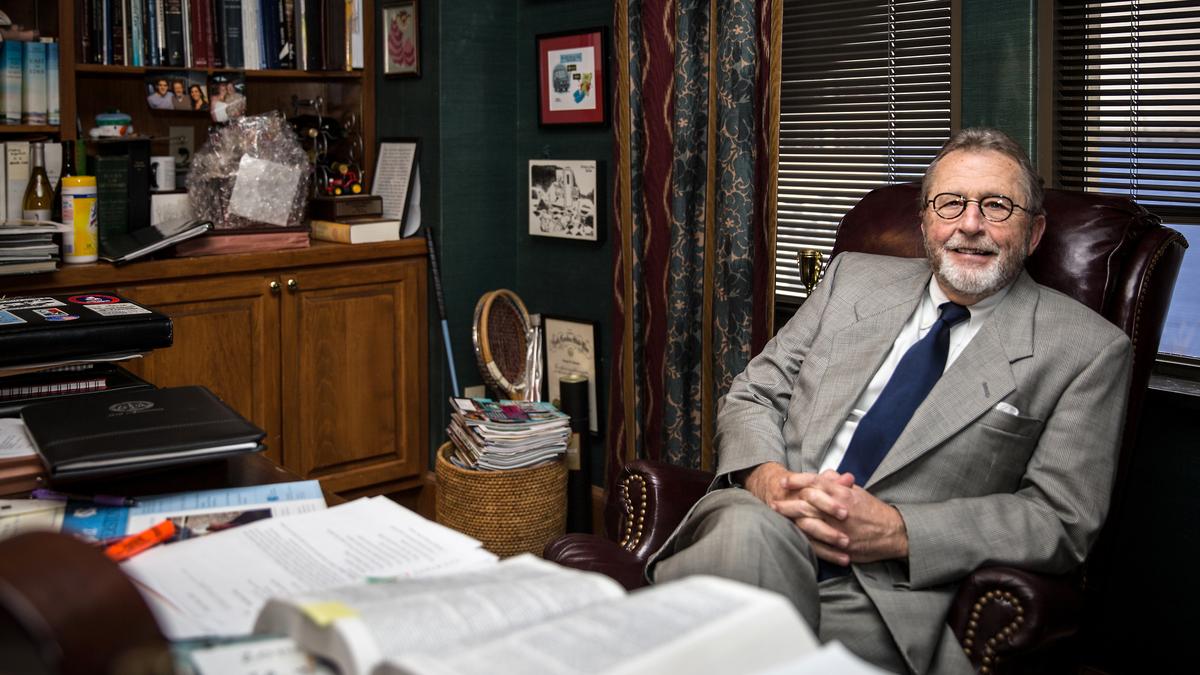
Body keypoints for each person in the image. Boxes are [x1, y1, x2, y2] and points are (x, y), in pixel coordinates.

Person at [648, 128, 1132, 675]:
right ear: (925, 221)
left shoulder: (1088, 350)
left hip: (884, 590)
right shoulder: (851, 280)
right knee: (749, 535)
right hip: (765, 520)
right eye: (951, 203)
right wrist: (768, 481)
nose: (971, 224)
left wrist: (898, 530)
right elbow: (756, 391)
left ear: (1035, 230)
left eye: (997, 206)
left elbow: (1060, 519)